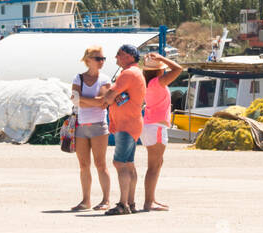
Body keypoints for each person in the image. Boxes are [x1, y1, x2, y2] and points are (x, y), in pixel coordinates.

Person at [99, 43, 145, 214]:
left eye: (119, 54)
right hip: (131, 123)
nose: (116, 57)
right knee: (129, 164)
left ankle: (123, 204)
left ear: (129, 56)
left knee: (120, 164)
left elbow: (109, 97)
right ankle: (130, 202)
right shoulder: (136, 72)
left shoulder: (128, 73)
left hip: (126, 124)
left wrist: (106, 98)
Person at [139, 51, 184, 211]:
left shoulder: (147, 82)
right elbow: (178, 69)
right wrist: (162, 58)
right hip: (156, 126)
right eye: (162, 68)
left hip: (151, 125)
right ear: (158, 70)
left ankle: (151, 199)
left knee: (157, 164)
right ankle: (148, 202)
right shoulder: (157, 82)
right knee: (154, 166)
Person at [69, 46, 112, 211]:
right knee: (83, 164)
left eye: (102, 59)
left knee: (101, 164)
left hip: (98, 125)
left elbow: (104, 102)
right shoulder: (78, 78)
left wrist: (84, 100)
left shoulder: (104, 79)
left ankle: (106, 199)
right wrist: (92, 101)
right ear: (88, 60)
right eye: (98, 58)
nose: (101, 62)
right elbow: (75, 100)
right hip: (81, 125)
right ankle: (85, 200)